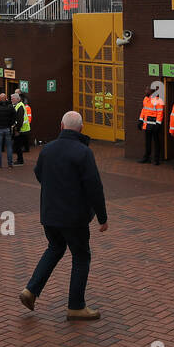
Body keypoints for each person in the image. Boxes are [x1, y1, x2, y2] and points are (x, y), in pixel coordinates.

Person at [19, 111, 108, 321]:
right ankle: (76, 306)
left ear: (61, 126)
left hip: (49, 213)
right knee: (81, 256)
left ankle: (30, 290)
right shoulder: (83, 152)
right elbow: (94, 187)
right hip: (74, 216)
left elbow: (39, 174)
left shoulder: (47, 149)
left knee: (55, 248)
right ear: (82, 129)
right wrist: (102, 217)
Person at [138, 86, 164, 165]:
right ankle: (147, 157)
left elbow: (160, 112)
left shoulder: (158, 100)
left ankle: (157, 159)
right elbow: (144, 110)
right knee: (148, 142)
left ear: (151, 91)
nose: (145, 91)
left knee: (156, 142)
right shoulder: (146, 99)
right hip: (147, 124)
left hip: (154, 125)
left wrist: (158, 124)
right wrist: (140, 120)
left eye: (147, 89)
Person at [0, 93, 16, 169]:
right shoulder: (10, 107)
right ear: (6, 99)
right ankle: (10, 164)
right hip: (7, 128)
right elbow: (14, 116)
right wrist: (10, 124)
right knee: (9, 147)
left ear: (0, 99)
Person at [12, 92, 32, 166]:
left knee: (18, 145)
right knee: (18, 145)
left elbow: (20, 120)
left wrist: (17, 130)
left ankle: (20, 161)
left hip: (22, 130)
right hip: (24, 129)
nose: (12, 100)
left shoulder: (20, 106)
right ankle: (19, 160)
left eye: (13, 99)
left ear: (17, 99)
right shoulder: (19, 105)